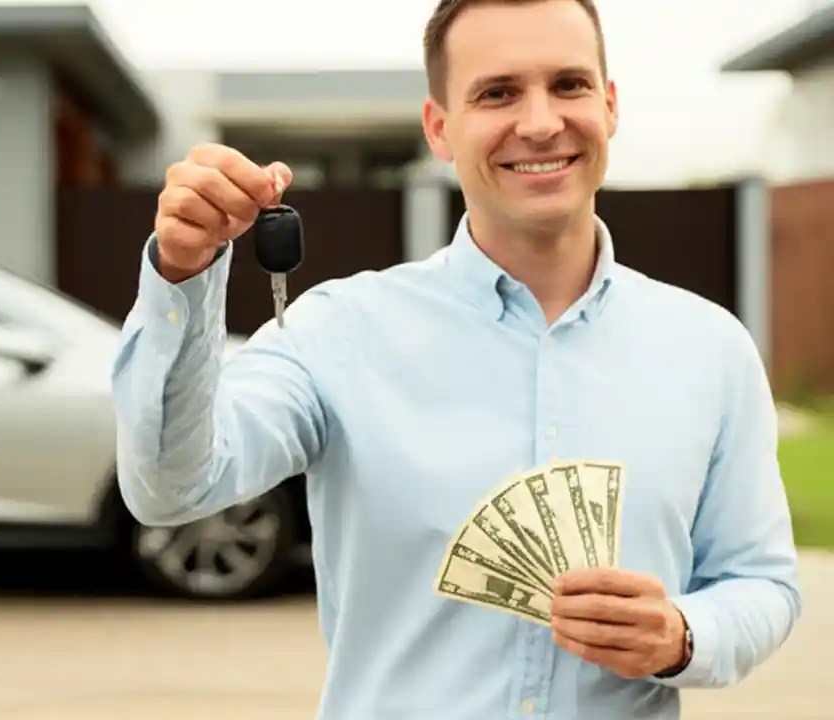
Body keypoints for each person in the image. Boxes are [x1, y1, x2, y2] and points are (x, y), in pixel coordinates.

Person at [110, 0, 803, 717]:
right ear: (439, 128)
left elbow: (762, 582)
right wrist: (182, 276)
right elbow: (172, 489)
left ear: (610, 103)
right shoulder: (336, 332)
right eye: (497, 92)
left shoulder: (710, 348)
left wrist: (684, 635)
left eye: (568, 84)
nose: (539, 122)